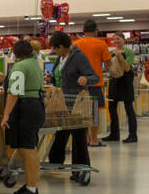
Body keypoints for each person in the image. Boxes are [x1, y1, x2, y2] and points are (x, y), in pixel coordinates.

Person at [46, 31, 101, 178]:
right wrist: (51, 79)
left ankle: (81, 170)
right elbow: (59, 76)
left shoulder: (79, 57)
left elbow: (94, 77)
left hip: (76, 103)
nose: (54, 51)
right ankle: (55, 164)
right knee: (60, 134)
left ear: (63, 46)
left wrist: (86, 79)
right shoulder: (60, 58)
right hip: (61, 104)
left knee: (79, 138)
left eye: (55, 48)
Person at [0, 38, 45, 194]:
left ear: (16, 53)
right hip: (35, 106)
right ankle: (30, 185)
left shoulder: (20, 67)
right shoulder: (34, 63)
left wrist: (6, 115)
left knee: (28, 150)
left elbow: (14, 92)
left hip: (26, 108)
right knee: (29, 148)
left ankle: (32, 189)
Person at [73, 19, 110, 146]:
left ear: (83, 30)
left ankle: (86, 139)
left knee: (82, 112)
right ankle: (94, 139)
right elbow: (108, 65)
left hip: (79, 84)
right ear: (96, 30)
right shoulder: (101, 44)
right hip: (95, 84)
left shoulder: (75, 44)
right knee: (94, 112)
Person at [103, 33, 137, 143]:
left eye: (118, 39)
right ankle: (114, 134)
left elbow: (127, 68)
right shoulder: (111, 52)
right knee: (112, 108)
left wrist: (120, 57)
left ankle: (133, 135)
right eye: (115, 39)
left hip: (126, 81)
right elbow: (107, 67)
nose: (116, 41)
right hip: (114, 81)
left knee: (129, 108)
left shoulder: (129, 52)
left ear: (123, 40)